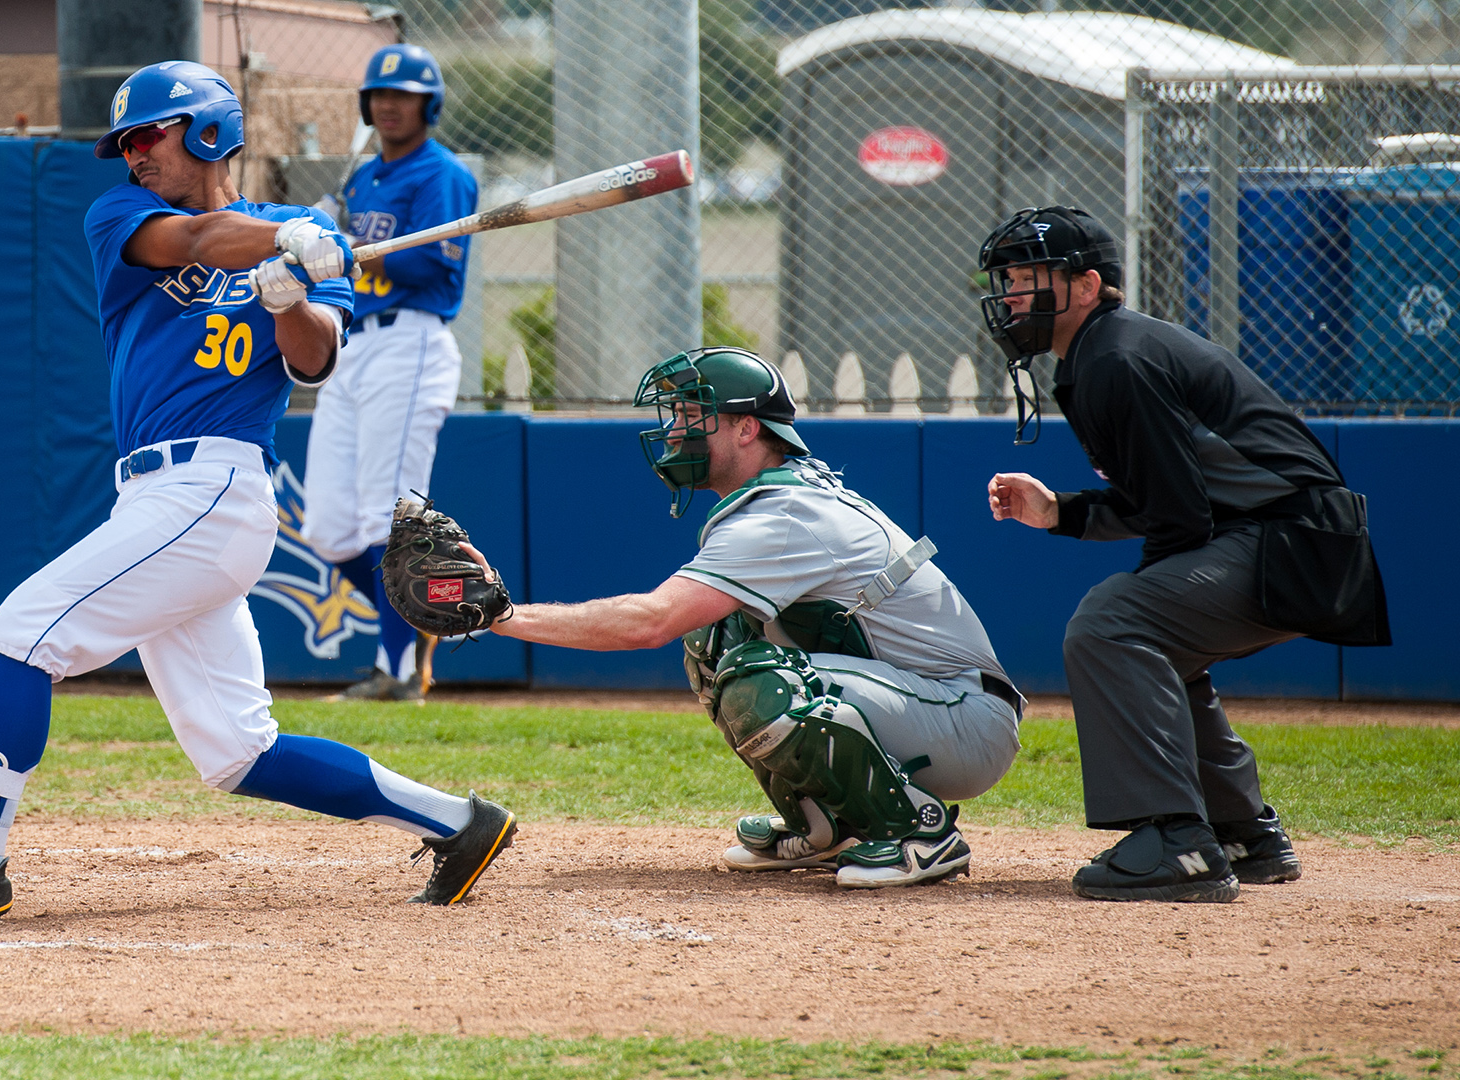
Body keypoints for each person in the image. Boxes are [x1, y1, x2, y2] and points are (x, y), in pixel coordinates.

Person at [0, 62, 516, 922]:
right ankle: (460, 823)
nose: (132, 154)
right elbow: (197, 243)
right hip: (156, 501)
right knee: (237, 751)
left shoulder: (303, 231)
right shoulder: (122, 214)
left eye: (146, 135)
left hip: (215, 488)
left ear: (206, 131)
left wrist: (288, 298)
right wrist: (279, 247)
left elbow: (314, 358)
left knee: (23, 631)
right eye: (125, 141)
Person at [471, 348, 1022, 888]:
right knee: (715, 641)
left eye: (692, 416)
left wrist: (506, 615)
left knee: (761, 678)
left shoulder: (785, 514)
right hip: (922, 701)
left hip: (965, 719)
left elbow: (650, 622)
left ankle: (915, 832)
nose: (673, 431)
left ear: (746, 429)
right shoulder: (782, 496)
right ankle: (828, 826)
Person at [978, 205, 1388, 903]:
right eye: (1010, 279)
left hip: (1292, 543)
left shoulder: (1116, 358)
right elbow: (1169, 501)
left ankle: (1176, 841)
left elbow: (1180, 517)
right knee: (1145, 633)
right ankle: (1241, 832)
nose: (1013, 295)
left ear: (1084, 287)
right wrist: (1060, 512)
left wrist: (1137, 614)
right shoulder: (1103, 351)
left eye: (1028, 278)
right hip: (1292, 539)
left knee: (1114, 624)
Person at [301, 43, 478, 702]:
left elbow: (435, 265)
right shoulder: (363, 177)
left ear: (426, 105)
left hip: (412, 341)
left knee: (391, 515)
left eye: (403, 96)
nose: (389, 106)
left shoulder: (443, 174)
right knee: (326, 525)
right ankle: (408, 620)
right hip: (351, 345)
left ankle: (397, 669)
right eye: (380, 95)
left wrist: (348, 246)